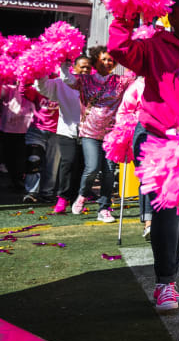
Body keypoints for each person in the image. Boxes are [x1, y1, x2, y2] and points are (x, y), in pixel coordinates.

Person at [109, 0, 179, 313]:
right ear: (171, 16)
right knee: (166, 210)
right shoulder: (154, 45)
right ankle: (164, 283)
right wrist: (125, 12)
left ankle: (170, 281)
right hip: (160, 137)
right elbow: (119, 48)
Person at [68, 46, 130, 222]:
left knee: (109, 172)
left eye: (111, 60)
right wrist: (64, 59)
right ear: (96, 60)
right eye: (104, 59)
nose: (108, 62)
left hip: (111, 132)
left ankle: (104, 208)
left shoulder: (120, 81)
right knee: (92, 167)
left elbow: (138, 79)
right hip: (89, 131)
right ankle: (82, 194)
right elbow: (67, 79)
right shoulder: (84, 79)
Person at [41, 55, 90, 214]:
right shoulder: (61, 83)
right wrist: (38, 71)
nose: (85, 70)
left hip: (88, 132)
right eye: (81, 67)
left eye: (88, 67)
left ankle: (76, 197)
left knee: (82, 166)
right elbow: (43, 88)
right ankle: (62, 198)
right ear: (73, 67)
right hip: (66, 131)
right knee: (67, 163)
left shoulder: (93, 84)